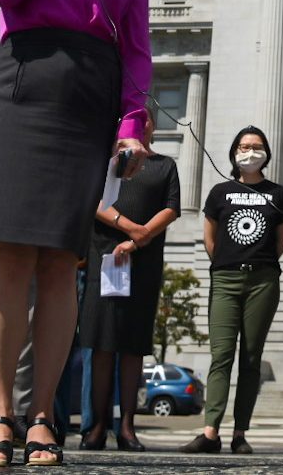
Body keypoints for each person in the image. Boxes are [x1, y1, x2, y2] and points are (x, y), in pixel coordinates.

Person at [0, 0, 152, 468]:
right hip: (25, 85)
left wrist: (132, 124)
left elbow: (136, 49)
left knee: (60, 263)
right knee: (10, 256)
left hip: (89, 98)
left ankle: (44, 412)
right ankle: (0, 412)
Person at [180, 127, 283, 455]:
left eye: (256, 147)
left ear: (266, 153)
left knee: (251, 357)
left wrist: (257, 262)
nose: (250, 151)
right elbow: (210, 239)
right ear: (234, 152)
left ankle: (240, 433)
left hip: (263, 281)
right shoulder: (219, 192)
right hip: (225, 279)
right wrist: (230, 262)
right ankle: (210, 432)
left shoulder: (278, 194)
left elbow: (281, 241)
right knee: (221, 355)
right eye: (244, 146)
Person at [79, 112, 180, 452]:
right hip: (105, 256)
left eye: (145, 119)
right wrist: (128, 228)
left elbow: (171, 208)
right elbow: (93, 201)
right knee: (102, 342)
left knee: (133, 345)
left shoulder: (165, 164)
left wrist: (139, 238)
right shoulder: (104, 161)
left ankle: (127, 427)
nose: (140, 125)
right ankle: (96, 426)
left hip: (144, 260)